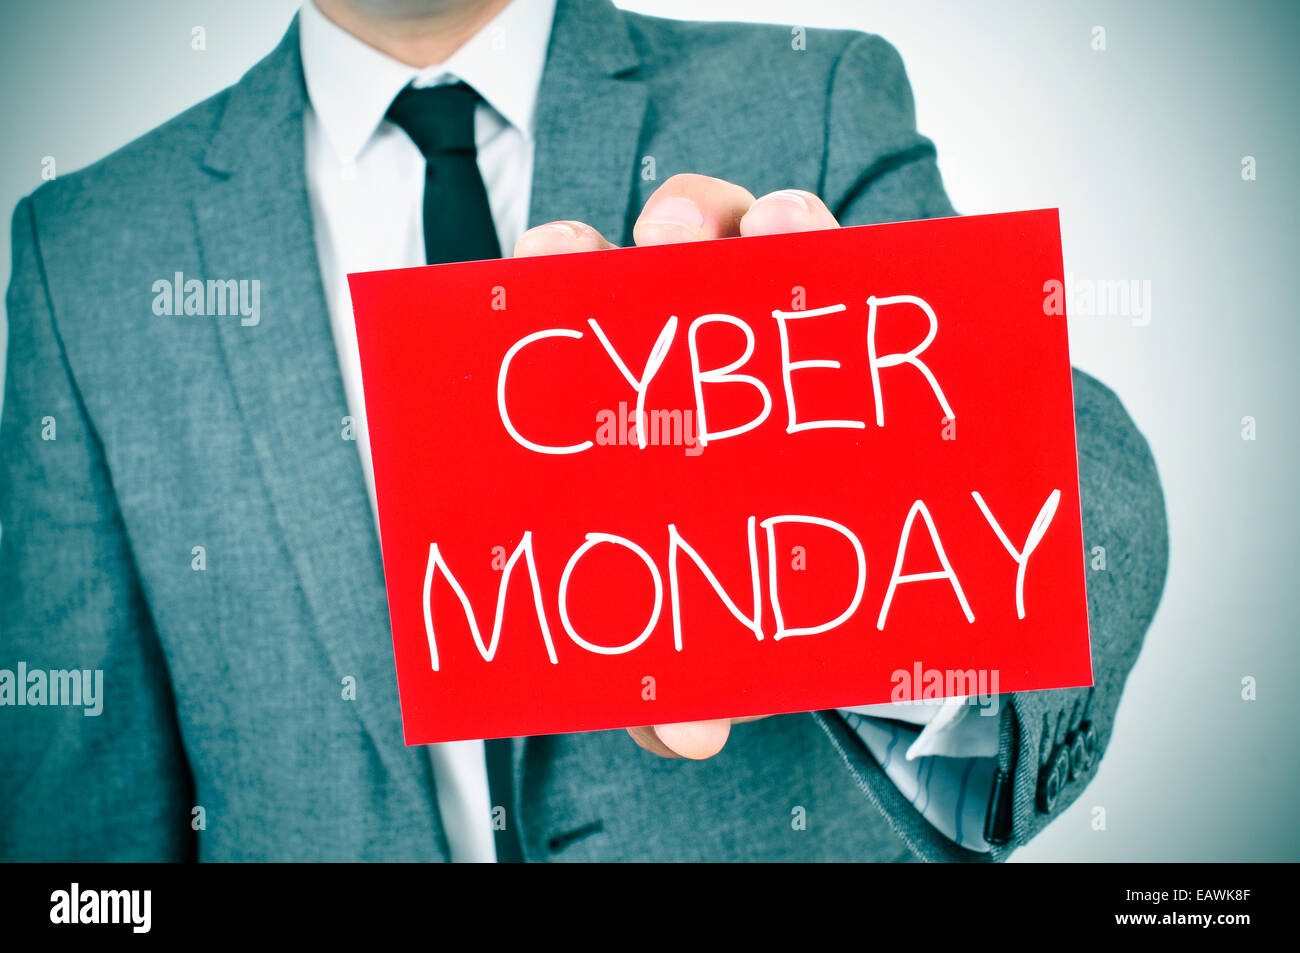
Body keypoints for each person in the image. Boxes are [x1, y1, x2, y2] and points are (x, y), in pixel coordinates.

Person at [0, 0, 1168, 861]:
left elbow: (1077, 471)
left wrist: (847, 573)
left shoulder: (809, 95)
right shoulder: (89, 248)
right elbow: (83, 824)